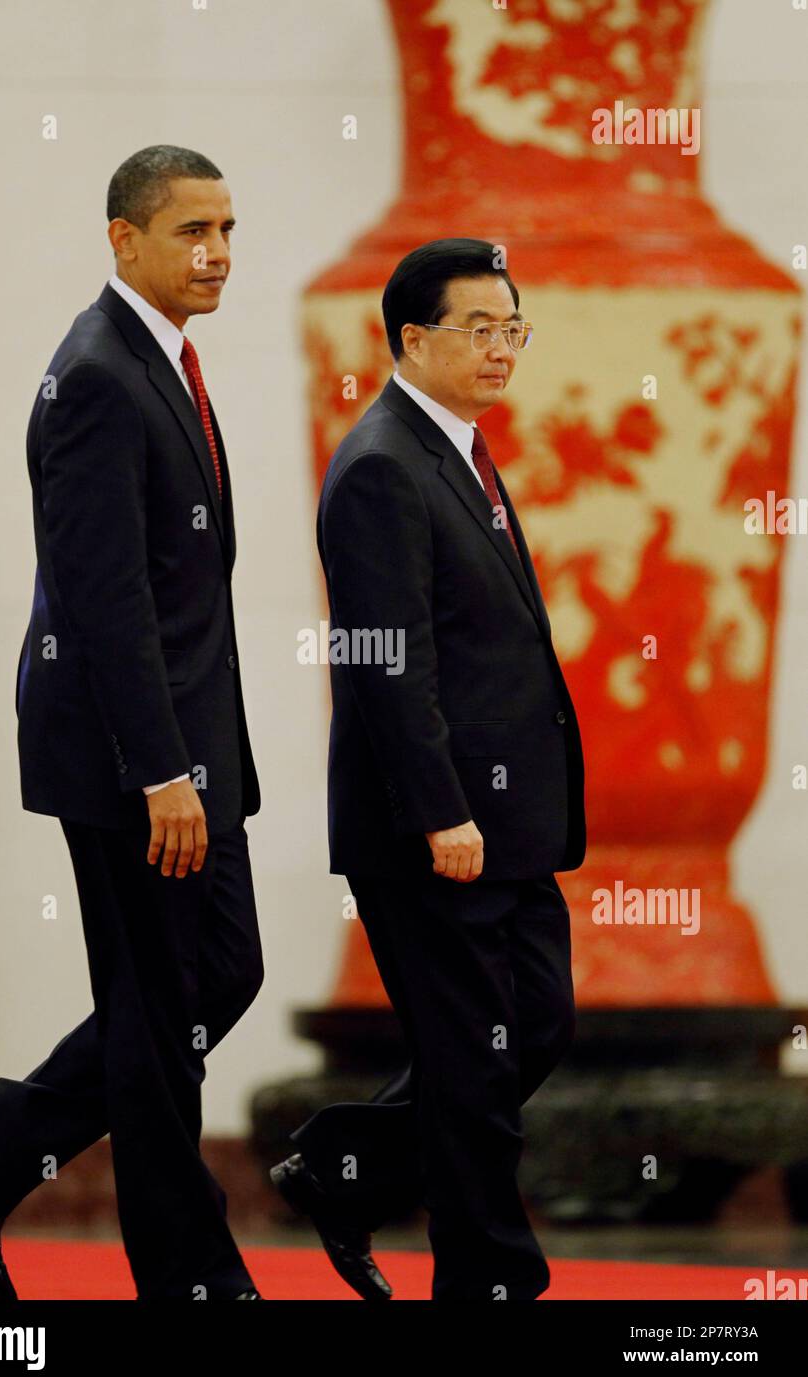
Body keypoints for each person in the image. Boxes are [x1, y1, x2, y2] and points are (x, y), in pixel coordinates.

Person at [0, 145, 265, 1302]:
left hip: (186, 751)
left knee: (215, 978)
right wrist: (160, 771)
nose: (214, 254)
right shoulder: (100, 373)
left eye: (226, 230)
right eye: (190, 232)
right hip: (132, 759)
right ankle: (192, 1276)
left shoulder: (161, 360)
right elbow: (104, 599)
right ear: (123, 238)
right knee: (160, 1021)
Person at [271, 238, 586, 1302]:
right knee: (469, 1060)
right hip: (435, 831)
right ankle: (490, 1280)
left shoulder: (456, 449)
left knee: (530, 1025)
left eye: (512, 328)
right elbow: (382, 664)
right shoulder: (378, 467)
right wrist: (440, 812)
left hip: (509, 828)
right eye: (479, 329)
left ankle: (341, 1166)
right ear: (412, 338)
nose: (503, 349)